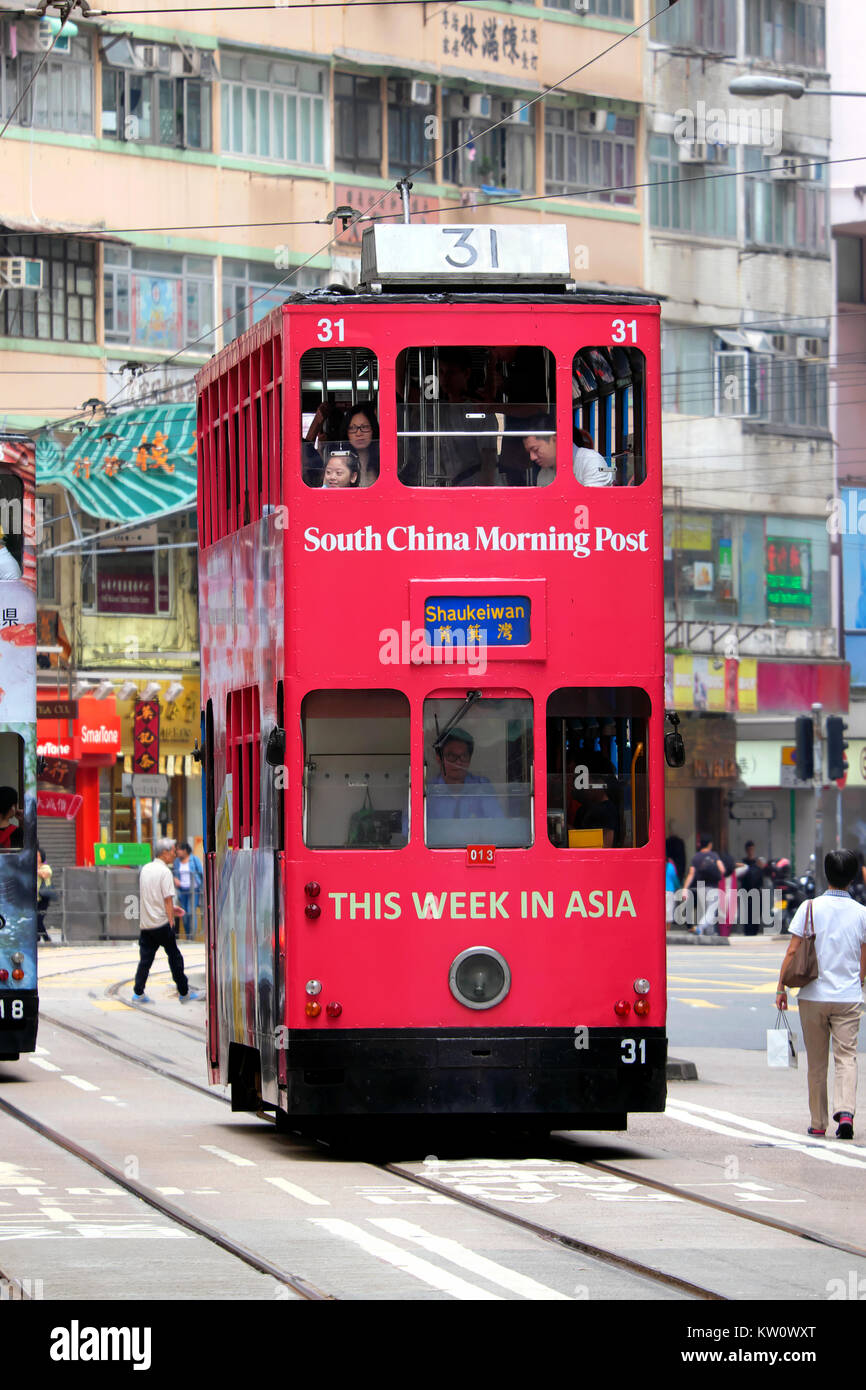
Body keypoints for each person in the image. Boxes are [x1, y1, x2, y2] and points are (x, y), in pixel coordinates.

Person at [776, 849, 866, 1140]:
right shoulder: (862, 914)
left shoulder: (809, 908)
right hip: (848, 997)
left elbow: (792, 951)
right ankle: (846, 1114)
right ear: (852, 877)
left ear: (825, 874)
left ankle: (818, 1122)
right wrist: (857, 980)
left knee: (817, 1062)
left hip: (812, 996)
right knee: (847, 1057)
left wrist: (781, 987)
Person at [132, 838, 204, 1004]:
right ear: (164, 853)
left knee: (145, 960)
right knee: (175, 957)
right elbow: (167, 900)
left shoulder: (145, 869)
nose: (174, 853)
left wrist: (172, 910)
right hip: (162, 924)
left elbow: (150, 896)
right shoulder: (165, 872)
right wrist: (171, 921)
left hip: (146, 924)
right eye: (172, 850)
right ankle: (184, 992)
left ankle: (138, 993)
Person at [426, 727, 503, 820]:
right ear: (439, 758)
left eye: (464, 756)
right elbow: (408, 828)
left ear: (469, 759)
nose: (458, 762)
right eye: (451, 756)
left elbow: (497, 822)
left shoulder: (482, 786)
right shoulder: (427, 791)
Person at [521, 417, 612, 488]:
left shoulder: (591, 461)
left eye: (535, 449)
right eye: (529, 452)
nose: (532, 457)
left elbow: (592, 503)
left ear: (555, 440)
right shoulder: (544, 474)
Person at [568, 754, 620, 847]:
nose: (579, 786)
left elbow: (605, 845)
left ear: (600, 782)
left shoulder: (606, 811)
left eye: (582, 780)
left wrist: (569, 831)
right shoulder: (583, 810)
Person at [683, 835, 726, 935]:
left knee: (705, 910)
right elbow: (722, 869)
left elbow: (691, 874)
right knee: (711, 910)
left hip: (700, 887)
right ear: (710, 844)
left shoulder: (696, 857)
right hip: (713, 887)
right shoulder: (714, 855)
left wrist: (685, 888)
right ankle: (700, 928)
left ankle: (708, 933)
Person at [172, 841, 203, 941]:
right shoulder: (177, 861)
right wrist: (175, 879)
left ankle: (191, 937)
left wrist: (202, 887)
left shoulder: (194, 859)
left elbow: (201, 873)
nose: (177, 852)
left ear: (185, 850)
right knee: (184, 913)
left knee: (191, 911)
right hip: (182, 890)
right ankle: (187, 934)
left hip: (193, 889)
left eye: (179, 849)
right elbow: (175, 873)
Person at [345, 404, 380, 488]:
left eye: (364, 427)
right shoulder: (339, 463)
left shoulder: (382, 463)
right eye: (353, 428)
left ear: (373, 429)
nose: (359, 433)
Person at [738, 840, 766, 936]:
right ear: (746, 850)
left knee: (756, 911)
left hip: (756, 890)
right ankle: (748, 931)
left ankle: (755, 930)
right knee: (746, 912)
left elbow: (763, 874)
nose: (751, 851)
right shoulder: (744, 862)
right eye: (749, 849)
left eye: (752, 849)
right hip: (746, 890)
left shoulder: (757, 862)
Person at [36, 845, 52, 943]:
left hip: (43, 898)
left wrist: (35, 869)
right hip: (33, 898)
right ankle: (38, 937)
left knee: (38, 919)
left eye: (37, 856)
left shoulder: (46, 867)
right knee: (34, 919)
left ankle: (46, 938)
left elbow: (45, 874)